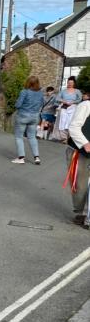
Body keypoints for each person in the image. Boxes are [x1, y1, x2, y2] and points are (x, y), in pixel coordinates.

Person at [66, 95, 90, 227]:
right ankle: (81, 213)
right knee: (80, 185)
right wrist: (86, 144)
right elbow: (74, 127)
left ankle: (87, 214)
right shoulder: (86, 105)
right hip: (78, 151)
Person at [11, 76, 44, 165]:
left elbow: (18, 105)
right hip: (34, 117)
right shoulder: (40, 93)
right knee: (32, 137)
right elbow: (42, 104)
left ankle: (21, 157)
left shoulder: (24, 92)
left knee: (19, 137)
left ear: (28, 82)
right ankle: (36, 157)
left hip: (23, 116)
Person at [54, 77, 82, 142]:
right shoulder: (63, 91)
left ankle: (69, 137)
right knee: (62, 122)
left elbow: (80, 99)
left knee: (70, 123)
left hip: (73, 108)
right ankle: (64, 138)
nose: (69, 84)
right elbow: (57, 98)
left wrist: (73, 102)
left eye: (71, 83)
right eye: (68, 82)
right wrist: (63, 101)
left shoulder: (77, 91)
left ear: (74, 83)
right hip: (64, 107)